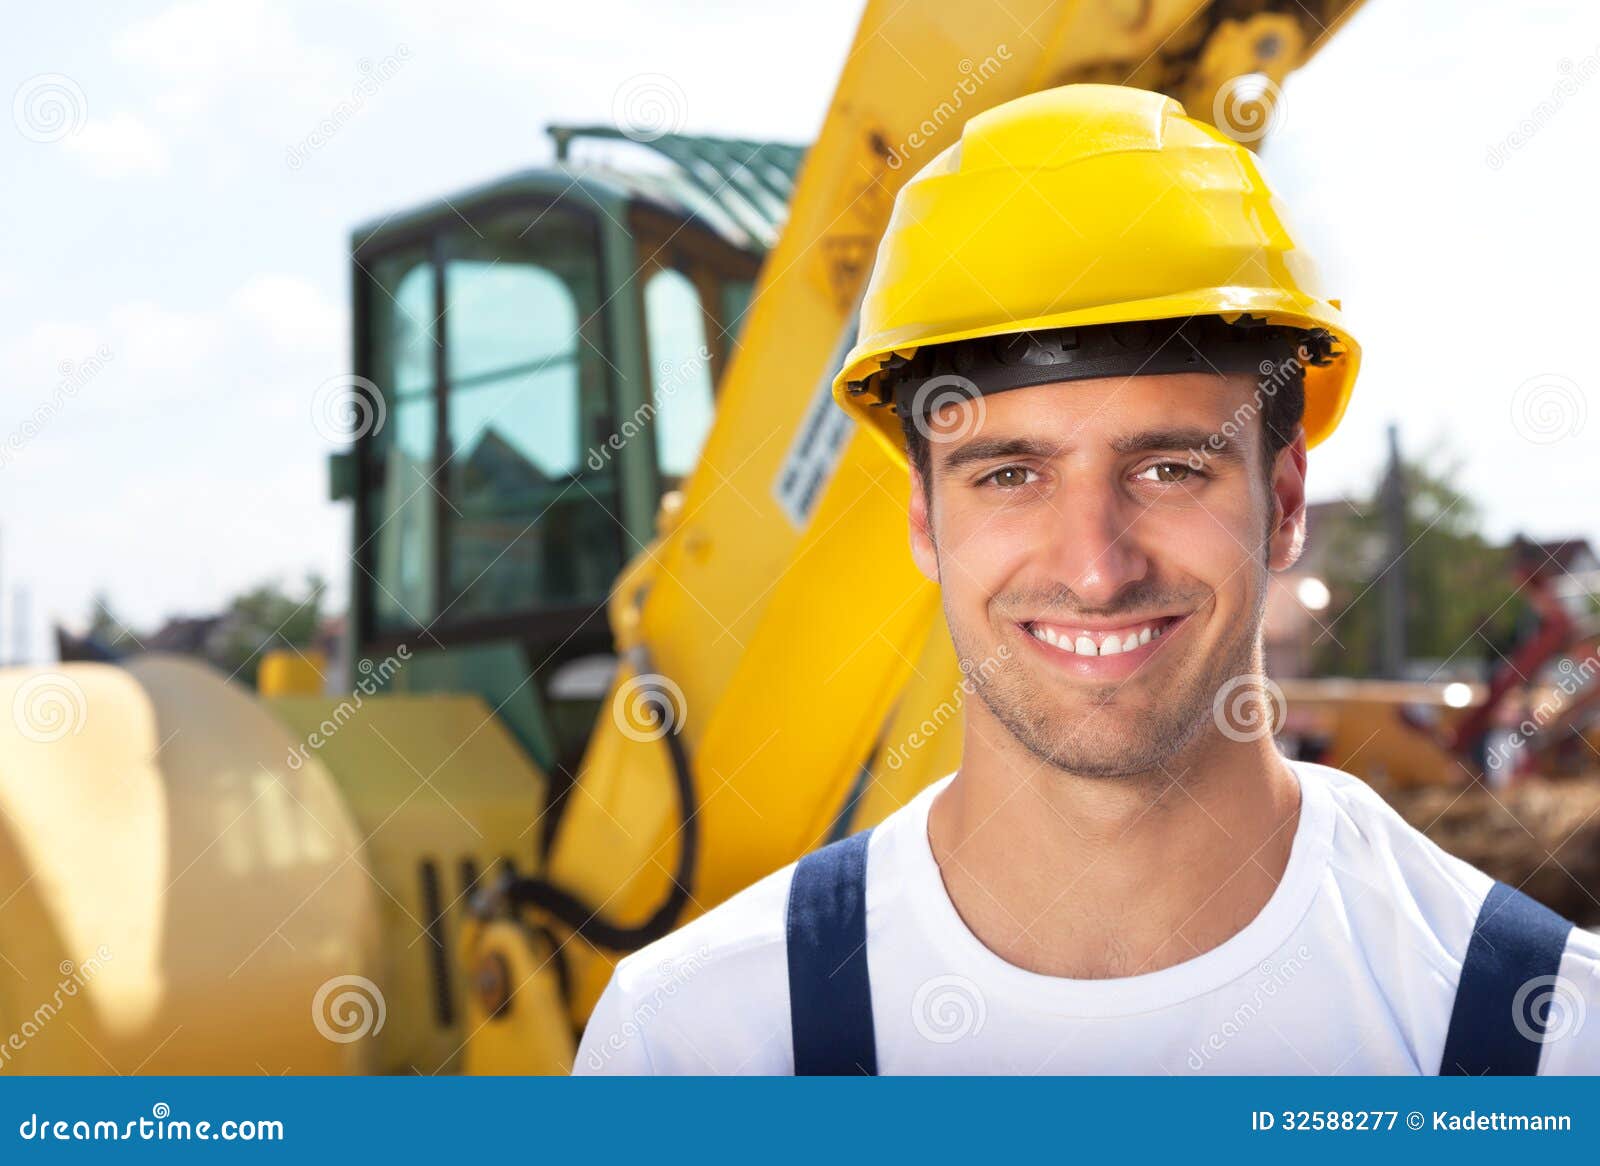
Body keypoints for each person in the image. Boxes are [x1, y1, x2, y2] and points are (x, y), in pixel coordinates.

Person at [573, 84, 1600, 1075]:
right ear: (925, 518)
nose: (1096, 567)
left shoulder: (1542, 1040)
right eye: (1010, 474)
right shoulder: (698, 1046)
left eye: (1168, 469)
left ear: (1283, 500)